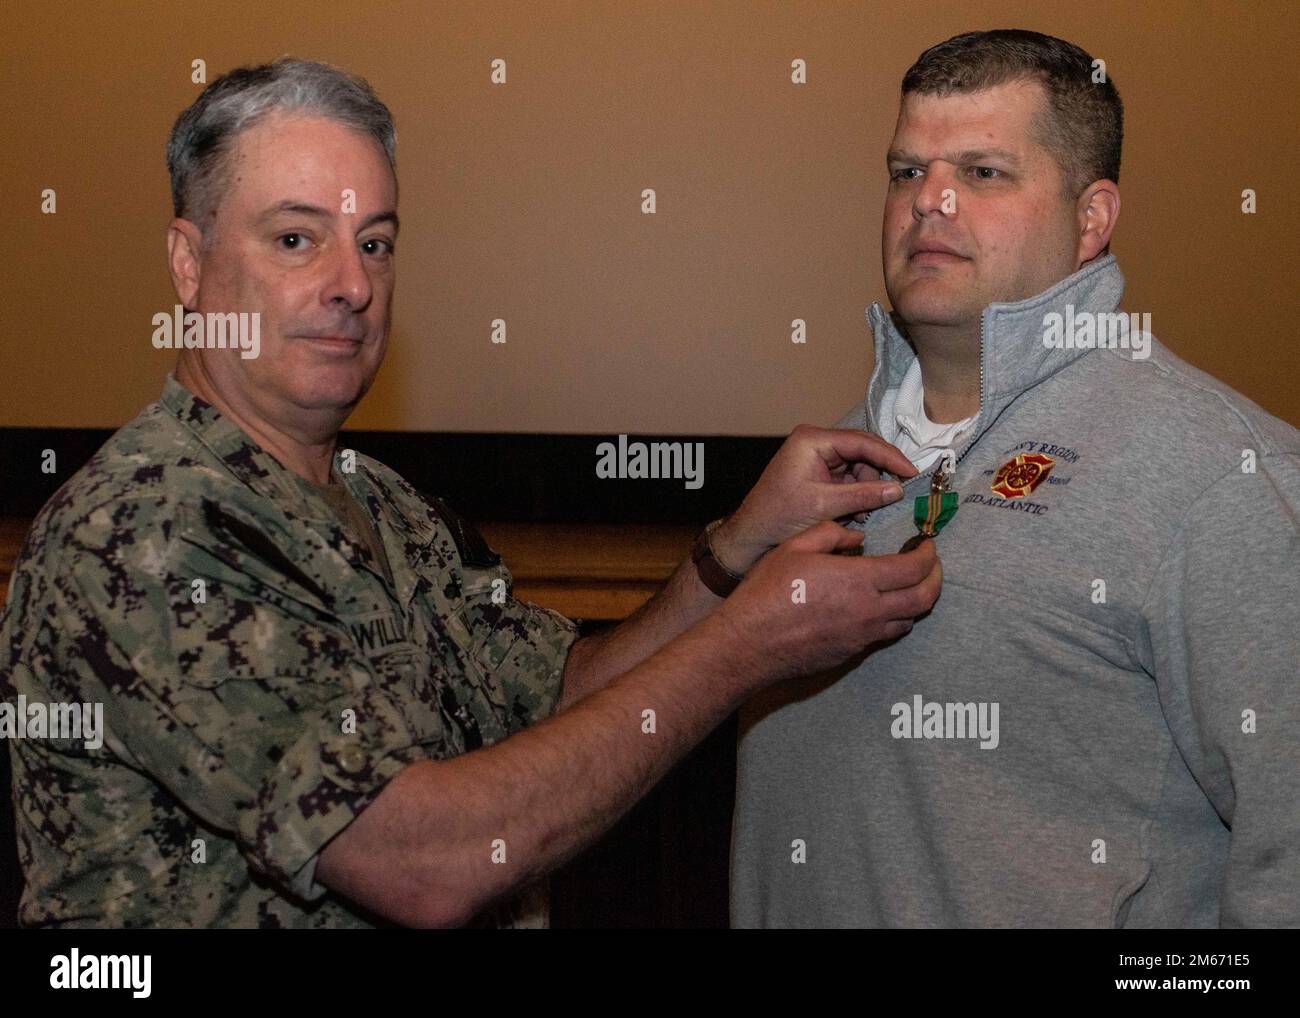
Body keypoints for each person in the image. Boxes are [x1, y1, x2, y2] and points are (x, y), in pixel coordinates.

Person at [0, 58, 943, 928]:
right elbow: (425, 860)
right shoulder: (143, 529)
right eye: (296, 238)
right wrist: (746, 649)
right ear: (188, 263)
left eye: (375, 243)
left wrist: (735, 549)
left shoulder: (388, 505)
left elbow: (564, 693)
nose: (351, 286)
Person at [732, 29, 1300, 928]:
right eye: (905, 171)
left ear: (1092, 219)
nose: (930, 201)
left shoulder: (1222, 477)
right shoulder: (822, 468)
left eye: (984, 172)